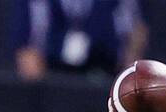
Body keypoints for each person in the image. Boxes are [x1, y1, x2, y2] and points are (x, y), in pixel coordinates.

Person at [11, 0, 148, 81]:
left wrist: (126, 77)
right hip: (53, 76)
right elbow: (27, 49)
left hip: (104, 75)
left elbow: (136, 30)